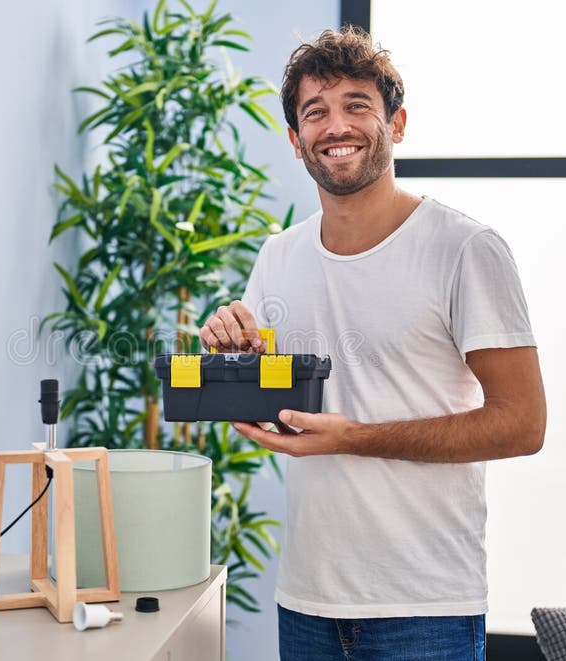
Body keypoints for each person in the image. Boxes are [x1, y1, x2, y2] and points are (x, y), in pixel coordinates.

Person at [198, 27, 546, 661]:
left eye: (357, 105)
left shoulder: (465, 250)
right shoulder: (278, 256)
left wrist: (355, 438)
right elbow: (267, 400)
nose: (337, 126)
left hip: (425, 608)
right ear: (295, 139)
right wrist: (228, 358)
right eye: (316, 112)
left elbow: (522, 425)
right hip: (307, 601)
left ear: (398, 123)